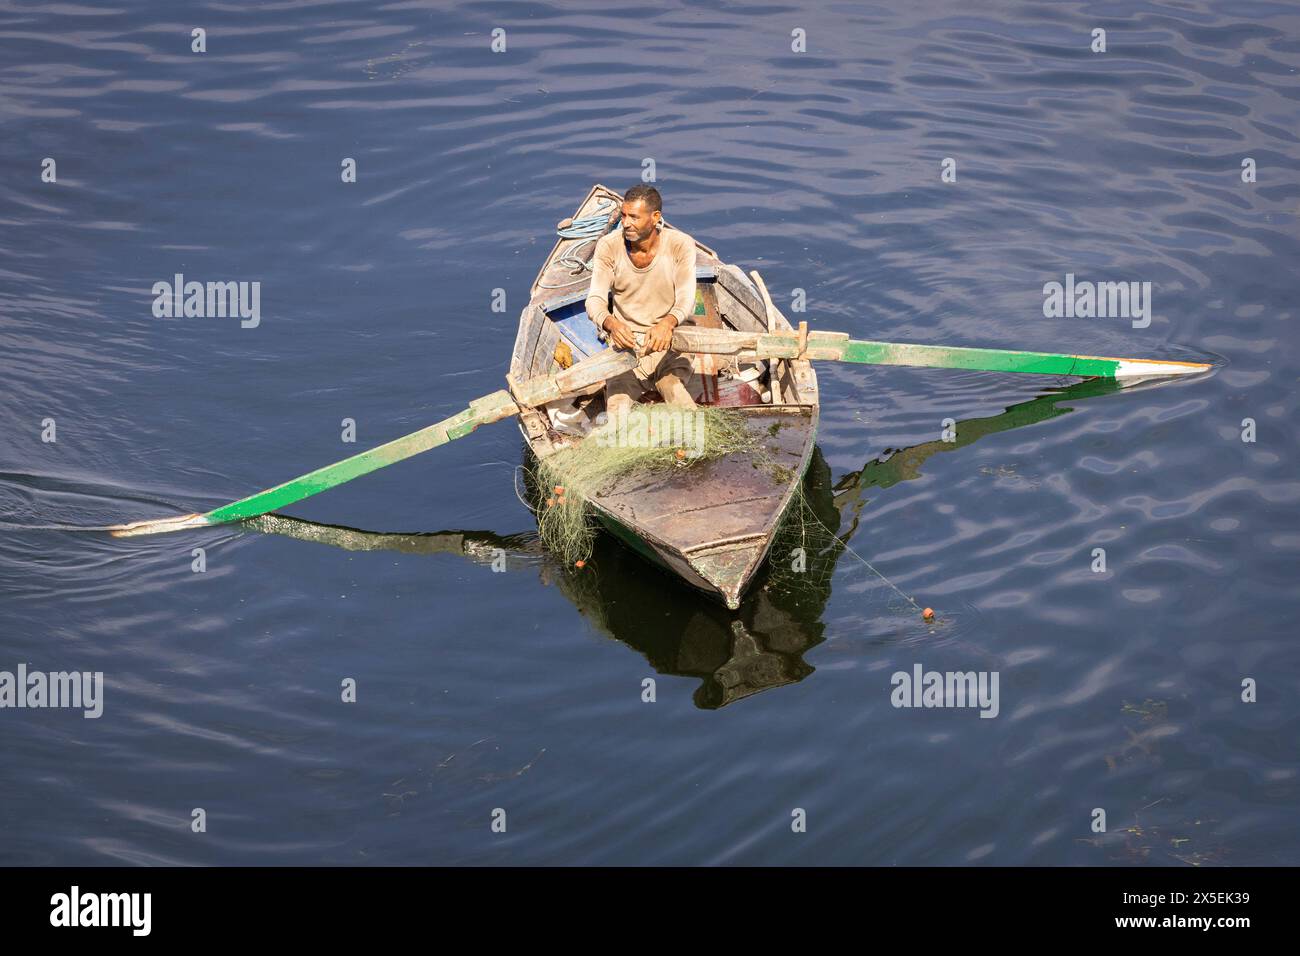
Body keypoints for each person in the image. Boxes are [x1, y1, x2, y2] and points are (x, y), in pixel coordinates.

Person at [585, 185, 698, 415]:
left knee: (675, 392)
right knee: (617, 410)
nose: (625, 223)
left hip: (670, 344)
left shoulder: (681, 245)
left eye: (634, 217)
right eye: (624, 215)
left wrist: (667, 324)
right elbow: (594, 300)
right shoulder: (608, 246)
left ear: (655, 218)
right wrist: (611, 323)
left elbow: (687, 299)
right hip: (626, 349)